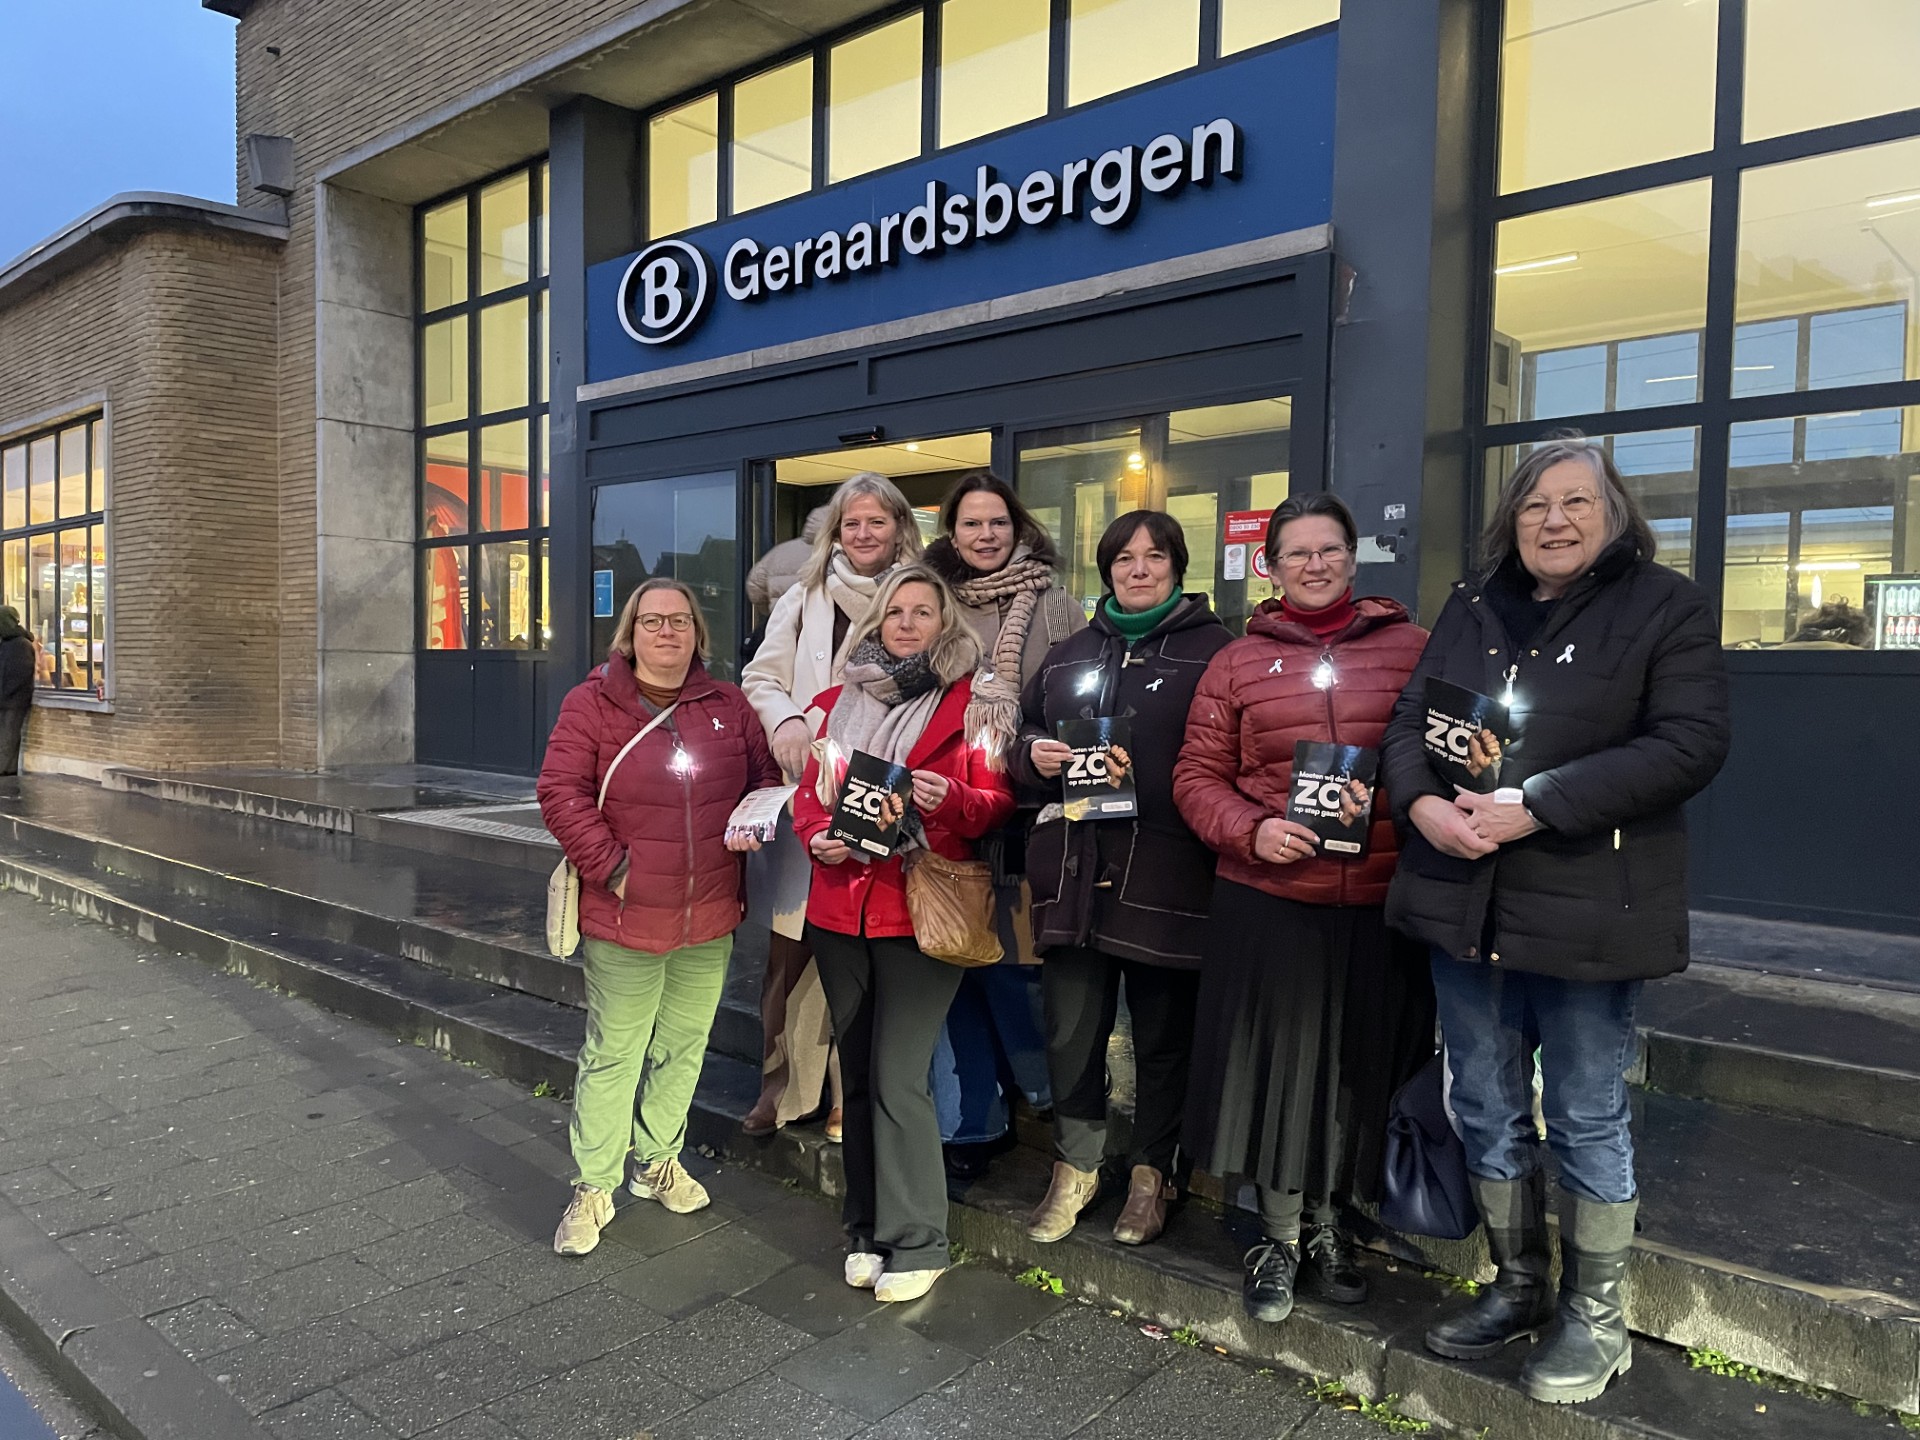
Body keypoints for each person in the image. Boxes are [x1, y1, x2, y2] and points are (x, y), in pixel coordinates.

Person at [1381, 438, 1730, 1406]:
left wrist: (1540, 801)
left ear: (1613, 513)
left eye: (1576, 502)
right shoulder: (1471, 604)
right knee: (1485, 1103)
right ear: (1512, 519)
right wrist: (1422, 808)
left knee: (1584, 1113)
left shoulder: (1667, 606)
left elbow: (1692, 743)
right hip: (1464, 897)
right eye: (1536, 505)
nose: (1555, 521)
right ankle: (1518, 1282)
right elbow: (1410, 724)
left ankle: (1598, 1317)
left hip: (1587, 905)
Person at [1174, 492, 1435, 1324]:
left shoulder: (1415, 650)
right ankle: (1276, 1234)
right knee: (1279, 1077)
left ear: (1355, 559)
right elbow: (1195, 777)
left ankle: (1331, 1225)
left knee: (1359, 1071)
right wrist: (1253, 830)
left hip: (1383, 903)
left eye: (1330, 550)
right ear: (1271, 566)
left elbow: (1445, 763)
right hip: (1274, 900)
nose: (1314, 565)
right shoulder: (1237, 661)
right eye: (1297, 553)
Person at [538, 579, 784, 1257]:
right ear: (630, 633)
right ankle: (593, 1186)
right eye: (653, 622)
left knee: (682, 1047)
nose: (667, 633)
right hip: (625, 916)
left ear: (697, 634)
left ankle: (655, 1161)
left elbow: (765, 781)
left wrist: (758, 823)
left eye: (680, 621)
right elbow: (559, 790)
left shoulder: (727, 706)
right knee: (614, 1053)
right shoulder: (591, 704)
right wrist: (612, 866)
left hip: (707, 917)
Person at [792, 565, 1014, 1303]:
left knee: (896, 1076)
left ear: (944, 622)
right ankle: (865, 1227)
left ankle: (920, 1240)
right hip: (837, 911)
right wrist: (819, 834)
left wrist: (951, 796)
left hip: (920, 913)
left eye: (923, 611)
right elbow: (808, 798)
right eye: (896, 611)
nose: (908, 622)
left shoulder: (971, 705)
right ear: (877, 623)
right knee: (855, 1077)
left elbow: (992, 805)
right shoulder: (834, 702)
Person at [1011, 510, 1232, 1247]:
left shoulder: (1217, 652)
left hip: (1170, 878)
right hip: (1075, 879)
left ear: (1178, 565)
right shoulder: (1073, 652)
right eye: (1125, 559)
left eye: (1155, 557)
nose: (1140, 570)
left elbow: (1232, 761)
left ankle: (1152, 1174)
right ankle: (1076, 1166)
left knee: (1165, 1037)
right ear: (1106, 571)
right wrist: (1034, 754)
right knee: (1071, 1033)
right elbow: (1021, 739)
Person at [740, 474, 925, 1139]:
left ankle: (850, 1095)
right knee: (788, 958)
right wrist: (787, 719)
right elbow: (760, 675)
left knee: (863, 953)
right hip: (808, 792)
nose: (866, 533)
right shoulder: (804, 597)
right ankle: (780, 1087)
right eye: (853, 523)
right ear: (835, 532)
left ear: (899, 527)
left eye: (878, 522)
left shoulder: (920, 600)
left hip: (882, 794)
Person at [921, 472, 1086, 1177]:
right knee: (955, 965)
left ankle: (1040, 1088)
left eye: (997, 523)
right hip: (943, 809)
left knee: (1017, 969)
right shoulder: (927, 600)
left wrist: (1036, 746)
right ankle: (974, 1124)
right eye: (971, 524)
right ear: (951, 533)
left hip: (1024, 809)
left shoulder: (1053, 605)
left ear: (1019, 529)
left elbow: (1082, 695)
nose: (985, 535)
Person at [746, 506, 830, 622]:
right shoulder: (846, 553)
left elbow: (754, 588)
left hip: (782, 627)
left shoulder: (779, 551)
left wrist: (773, 610)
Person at [0, 606, 33, 776]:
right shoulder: (6, 643)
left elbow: (20, 673)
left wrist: (6, 692)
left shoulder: (21, 644)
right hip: (6, 698)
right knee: (6, 734)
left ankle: (6, 769)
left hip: (14, 700)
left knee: (9, 735)